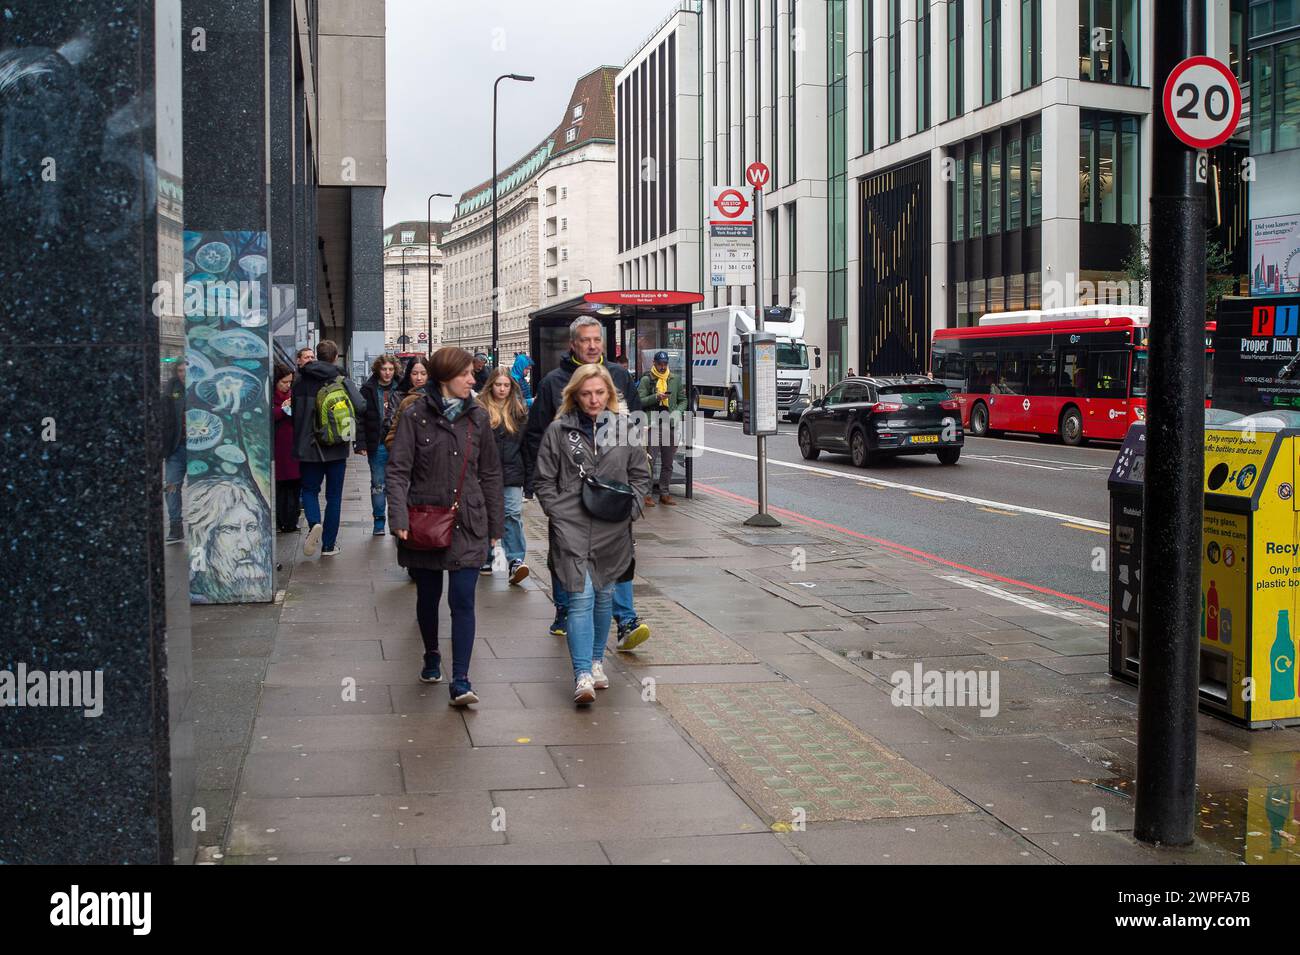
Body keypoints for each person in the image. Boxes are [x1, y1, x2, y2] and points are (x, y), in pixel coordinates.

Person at [386, 346, 505, 706]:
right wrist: (398, 517)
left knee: (463, 600)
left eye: (473, 373)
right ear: (444, 378)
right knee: (428, 596)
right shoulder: (415, 414)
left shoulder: (478, 417)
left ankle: (462, 680)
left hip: (468, 520)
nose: (473, 379)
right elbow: (398, 470)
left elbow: (490, 473)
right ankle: (432, 653)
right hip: (424, 519)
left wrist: (495, 527)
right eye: (466, 374)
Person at [525, 316, 649, 649]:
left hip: (613, 492)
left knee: (619, 556)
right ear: (573, 344)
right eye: (585, 340)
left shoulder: (620, 377)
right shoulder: (553, 382)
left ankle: (625, 619)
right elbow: (538, 435)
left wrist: (634, 498)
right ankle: (566, 609)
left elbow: (635, 426)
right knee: (565, 555)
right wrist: (545, 492)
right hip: (569, 492)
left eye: (597, 339)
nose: (592, 345)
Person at [535, 364, 651, 705]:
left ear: (610, 395)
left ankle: (598, 662)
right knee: (580, 599)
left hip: (612, 529)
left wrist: (629, 512)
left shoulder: (625, 429)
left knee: (603, 598)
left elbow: (640, 476)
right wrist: (558, 515)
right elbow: (543, 480)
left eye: (600, 393)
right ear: (574, 395)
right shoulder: (559, 431)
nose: (593, 399)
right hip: (571, 530)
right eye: (586, 393)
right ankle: (582, 674)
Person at [291, 339, 366, 558]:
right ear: (335, 357)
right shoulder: (341, 379)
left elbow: (296, 414)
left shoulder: (300, 381)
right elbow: (361, 405)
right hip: (336, 446)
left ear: (316, 355)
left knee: (310, 490)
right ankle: (328, 546)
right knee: (333, 497)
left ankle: (314, 523)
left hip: (308, 446)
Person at [477, 367, 531, 584]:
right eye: (498, 384)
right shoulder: (479, 409)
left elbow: (527, 446)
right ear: (491, 385)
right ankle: (486, 557)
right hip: (485, 472)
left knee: (512, 514)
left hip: (512, 471)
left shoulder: (519, 410)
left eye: (506, 385)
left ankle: (516, 560)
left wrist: (530, 480)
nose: (502, 389)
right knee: (485, 515)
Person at [358, 354, 403, 536]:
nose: (387, 373)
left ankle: (395, 522)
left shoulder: (401, 388)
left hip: (399, 443)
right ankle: (378, 522)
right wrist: (360, 443)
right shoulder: (368, 389)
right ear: (378, 369)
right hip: (377, 443)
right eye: (384, 369)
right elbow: (360, 418)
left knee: (397, 485)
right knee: (378, 484)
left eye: (391, 369)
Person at [636, 350, 686, 506]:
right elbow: (640, 401)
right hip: (653, 425)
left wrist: (678, 412)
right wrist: (656, 397)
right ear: (654, 364)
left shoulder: (675, 379)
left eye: (665, 364)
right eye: (660, 364)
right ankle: (646, 494)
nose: (663, 367)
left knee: (668, 462)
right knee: (649, 461)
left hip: (669, 424)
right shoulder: (646, 379)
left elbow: (683, 400)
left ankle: (665, 493)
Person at [271, 363, 301, 533]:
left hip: (294, 447)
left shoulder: (292, 395)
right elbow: (270, 415)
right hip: (280, 449)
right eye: (284, 382)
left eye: (290, 382)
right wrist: (284, 409)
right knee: (282, 487)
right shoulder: (273, 397)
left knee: (295, 486)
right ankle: (282, 519)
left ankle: (292, 520)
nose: (287, 385)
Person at [161, 361, 187, 543]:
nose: (183, 374)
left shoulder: (200, 388)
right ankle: (175, 526)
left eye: (186, 370)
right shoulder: (171, 389)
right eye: (180, 371)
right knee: (171, 486)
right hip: (177, 446)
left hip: (198, 447)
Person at [384, 355, 431, 450]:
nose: (419, 378)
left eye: (423, 373)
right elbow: (390, 424)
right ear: (408, 374)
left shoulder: (435, 395)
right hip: (403, 448)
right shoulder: (398, 395)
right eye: (414, 373)